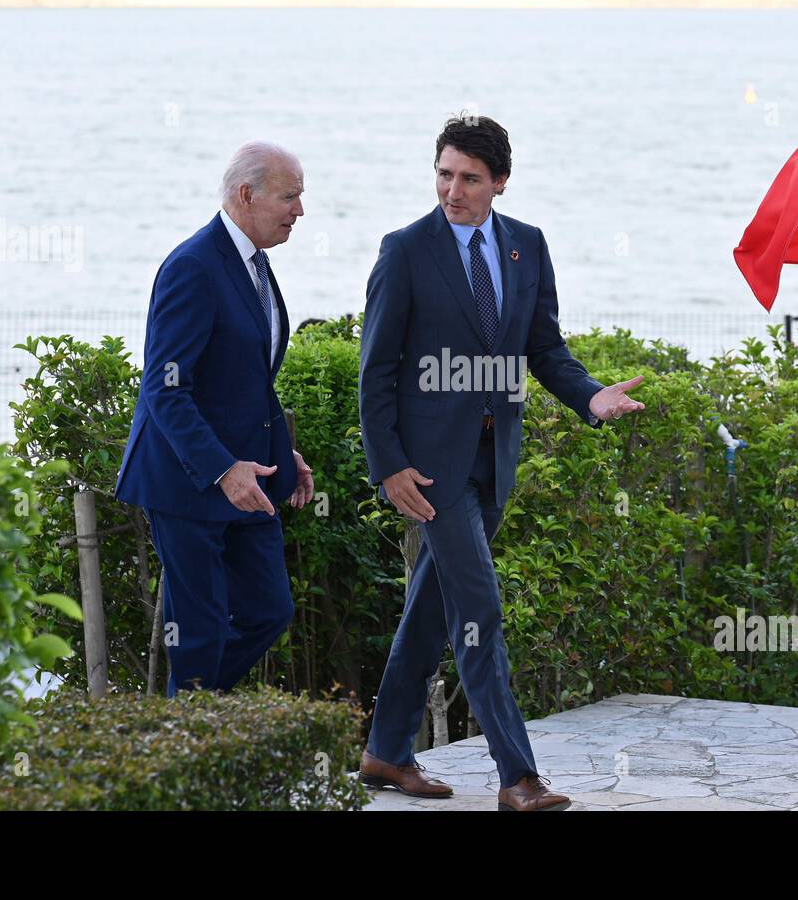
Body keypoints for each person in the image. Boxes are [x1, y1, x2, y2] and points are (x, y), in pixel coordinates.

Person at [358, 116, 646, 811]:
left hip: (494, 461)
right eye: (444, 174)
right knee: (479, 609)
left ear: (500, 183)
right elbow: (378, 371)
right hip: (430, 472)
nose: (452, 190)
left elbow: (542, 347)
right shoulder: (405, 251)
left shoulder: (526, 246)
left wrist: (588, 396)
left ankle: (385, 753)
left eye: (469, 178)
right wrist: (388, 466)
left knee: (430, 609)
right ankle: (518, 775)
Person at [115, 141, 315, 697]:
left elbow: (249, 379)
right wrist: (223, 469)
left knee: (269, 611)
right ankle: (189, 744)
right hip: (187, 482)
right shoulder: (192, 266)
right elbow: (165, 388)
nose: (299, 211)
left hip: (251, 476)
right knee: (198, 637)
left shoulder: (256, 263)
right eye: (290, 197)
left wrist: (283, 452)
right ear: (247, 195)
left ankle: (186, 716)